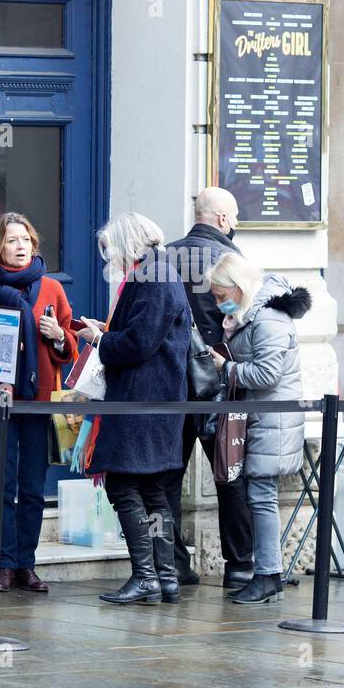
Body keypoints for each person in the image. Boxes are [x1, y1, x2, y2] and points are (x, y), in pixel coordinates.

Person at [76, 213, 190, 605]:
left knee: (125, 484)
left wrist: (99, 340)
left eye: (109, 249)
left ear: (127, 243)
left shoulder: (152, 277)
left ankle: (146, 575)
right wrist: (107, 333)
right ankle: (165, 575)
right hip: (156, 401)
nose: (108, 258)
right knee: (153, 489)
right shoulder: (161, 273)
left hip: (143, 402)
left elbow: (139, 343)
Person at [0, 212, 77, 593]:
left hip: (39, 401)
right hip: (0, 402)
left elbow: (69, 348)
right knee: (3, 485)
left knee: (32, 487)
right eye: (12, 240)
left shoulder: (51, 289)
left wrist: (58, 336)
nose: (20, 247)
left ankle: (25, 565)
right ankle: (1, 563)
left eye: (26, 240)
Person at [206, 253, 310, 605]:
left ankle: (267, 575)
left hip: (271, 420)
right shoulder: (252, 318)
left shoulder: (268, 320)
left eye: (222, 295)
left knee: (262, 498)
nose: (219, 303)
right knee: (259, 497)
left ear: (239, 287)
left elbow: (267, 375)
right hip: (262, 418)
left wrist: (225, 368)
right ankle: (267, 574)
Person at [166, 186, 253, 589]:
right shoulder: (230, 260)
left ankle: (172, 563)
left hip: (170, 384)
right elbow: (241, 320)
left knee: (166, 477)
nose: (234, 226)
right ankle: (239, 568)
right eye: (232, 219)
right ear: (221, 219)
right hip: (218, 382)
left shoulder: (165, 256)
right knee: (230, 475)